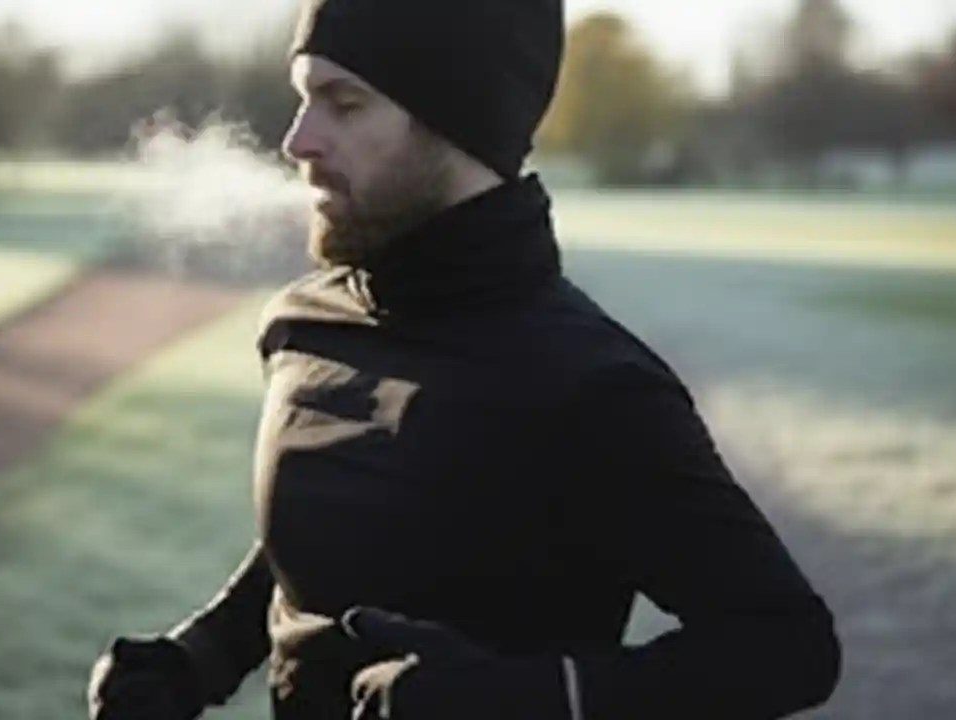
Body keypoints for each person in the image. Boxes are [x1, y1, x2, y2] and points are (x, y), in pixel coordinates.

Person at [88, 0, 842, 718]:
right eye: (303, 97)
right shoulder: (300, 323)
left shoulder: (592, 385)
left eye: (343, 103)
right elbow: (329, 547)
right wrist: (201, 656)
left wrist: (533, 701)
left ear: (457, 124)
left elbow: (787, 646)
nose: (298, 141)